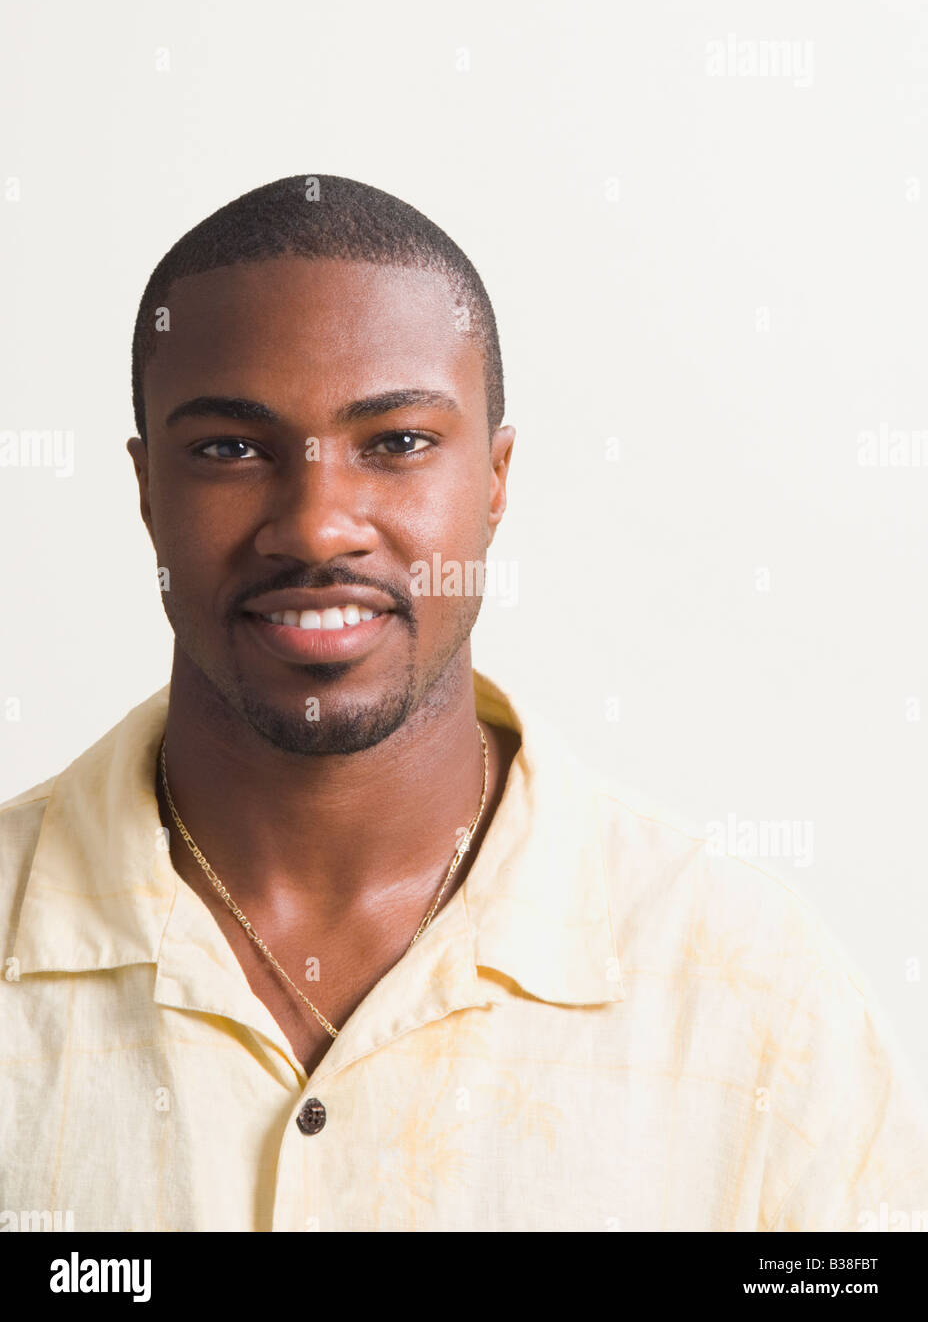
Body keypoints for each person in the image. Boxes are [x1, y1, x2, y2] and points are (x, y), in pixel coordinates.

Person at [1, 174, 926, 1233]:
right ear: (146, 488)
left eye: (394, 443)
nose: (316, 527)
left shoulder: (755, 995)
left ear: (494, 480)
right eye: (229, 449)